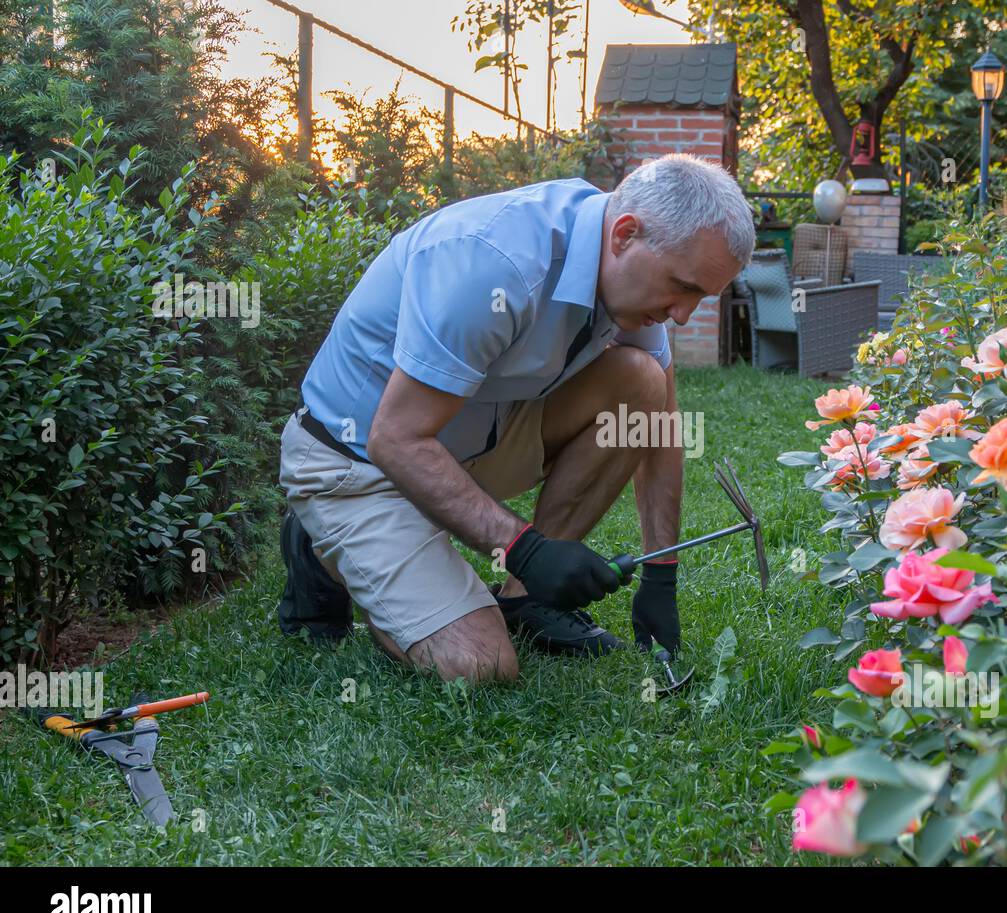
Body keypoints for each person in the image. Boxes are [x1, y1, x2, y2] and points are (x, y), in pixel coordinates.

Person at [276, 153, 755, 683]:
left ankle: (525, 602)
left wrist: (661, 574)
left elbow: (660, 425)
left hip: (470, 441)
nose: (684, 315)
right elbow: (395, 440)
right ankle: (319, 550)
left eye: (701, 297)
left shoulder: (624, 278)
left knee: (643, 385)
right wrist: (527, 550)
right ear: (625, 235)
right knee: (480, 665)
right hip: (359, 462)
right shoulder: (494, 264)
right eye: (683, 287)